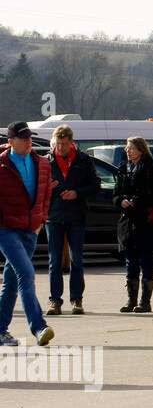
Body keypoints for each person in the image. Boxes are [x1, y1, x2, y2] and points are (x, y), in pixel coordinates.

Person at [0, 122, 54, 347]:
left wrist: (41, 220)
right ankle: (39, 326)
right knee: (26, 272)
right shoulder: (2, 165)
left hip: (30, 230)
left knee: (12, 281)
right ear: (11, 141)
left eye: (29, 137)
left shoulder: (42, 164)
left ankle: (1, 330)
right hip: (6, 229)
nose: (28, 141)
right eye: (23, 138)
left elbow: (45, 195)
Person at [44, 124, 99, 316]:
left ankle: (76, 299)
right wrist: (48, 188)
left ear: (71, 142)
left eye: (64, 144)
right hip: (54, 215)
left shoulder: (83, 160)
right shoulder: (47, 160)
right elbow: (37, 188)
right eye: (58, 144)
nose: (61, 148)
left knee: (77, 259)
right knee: (54, 260)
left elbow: (95, 185)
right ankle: (54, 300)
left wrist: (77, 193)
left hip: (76, 215)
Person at [112, 137, 153, 316]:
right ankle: (131, 300)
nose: (128, 152)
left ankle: (145, 301)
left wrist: (138, 201)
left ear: (141, 150)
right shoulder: (122, 168)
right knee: (130, 261)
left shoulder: (150, 167)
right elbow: (115, 194)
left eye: (132, 148)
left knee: (146, 260)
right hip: (128, 222)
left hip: (146, 222)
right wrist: (121, 201)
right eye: (127, 149)